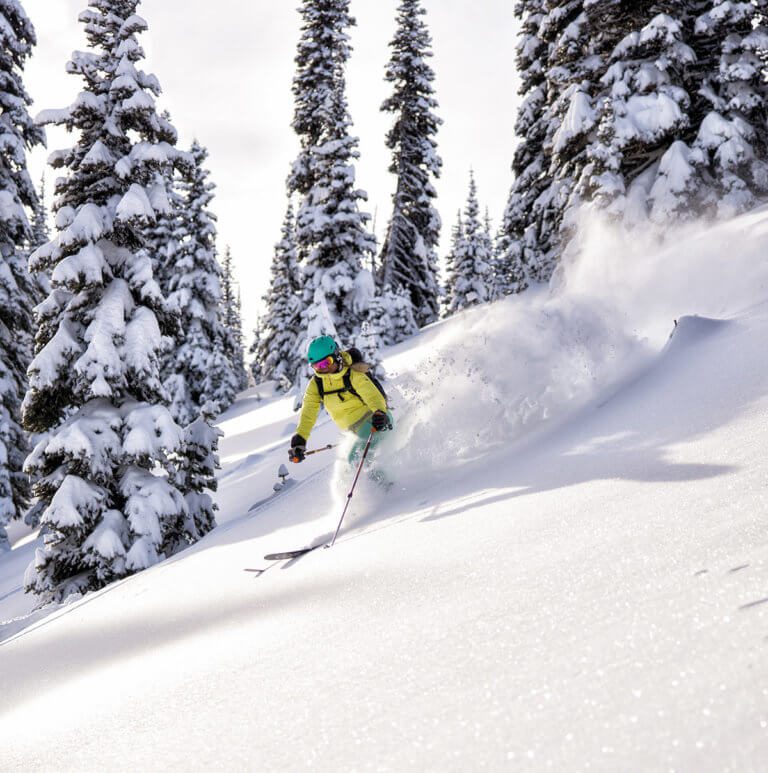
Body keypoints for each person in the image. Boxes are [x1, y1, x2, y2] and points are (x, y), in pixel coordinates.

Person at [288, 335, 394, 471]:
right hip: (354, 431)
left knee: (357, 459)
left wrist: (380, 413)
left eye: (326, 362)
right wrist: (300, 437)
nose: (323, 368)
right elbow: (308, 411)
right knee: (351, 466)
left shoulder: (353, 374)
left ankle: (387, 484)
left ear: (337, 356)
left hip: (376, 421)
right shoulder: (317, 384)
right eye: (317, 366)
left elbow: (372, 396)